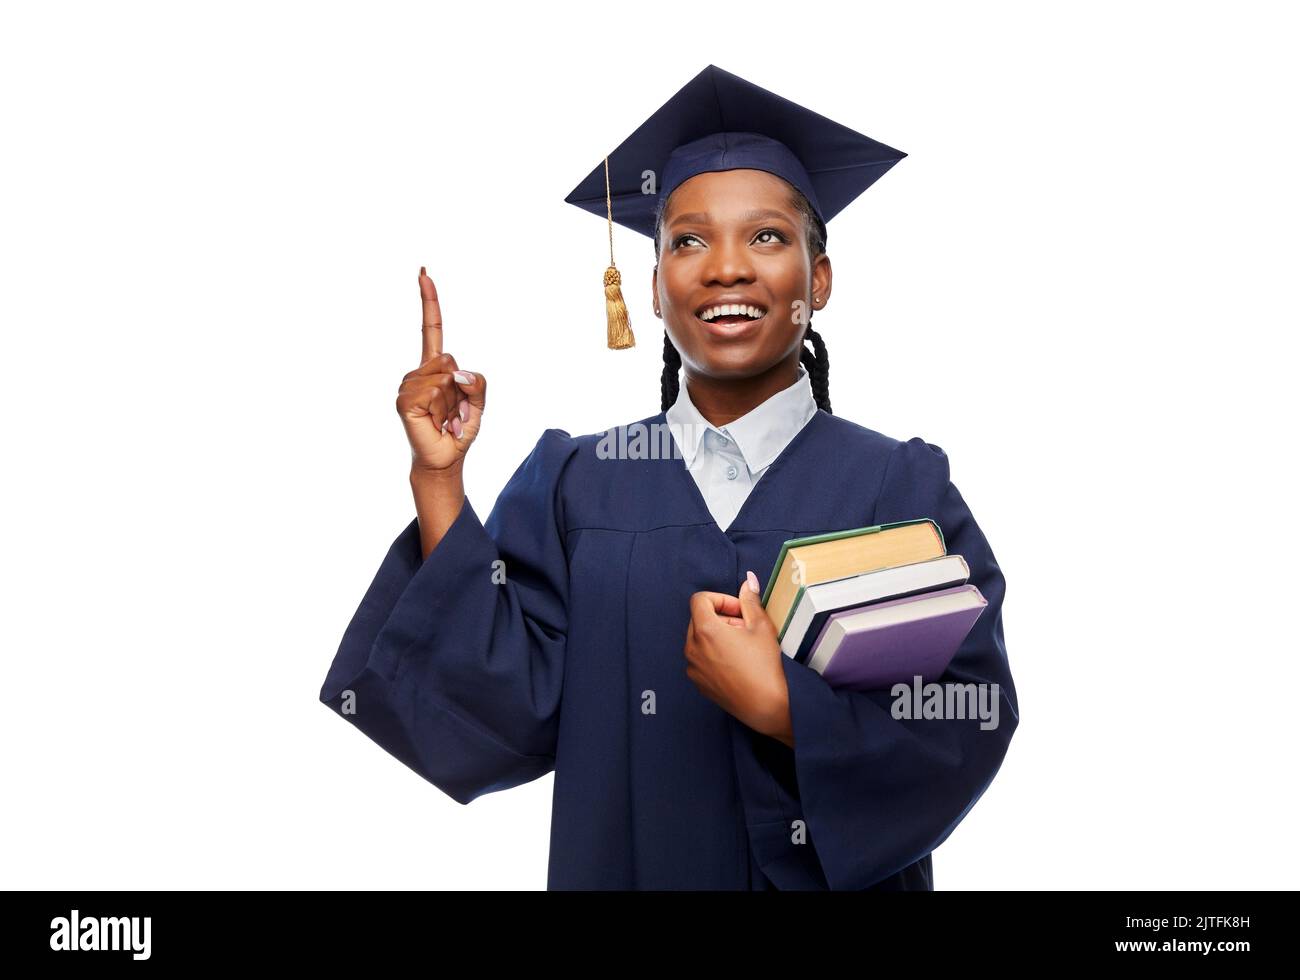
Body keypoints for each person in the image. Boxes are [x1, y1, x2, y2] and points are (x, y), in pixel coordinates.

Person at [319, 65, 1019, 890]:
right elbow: (501, 707)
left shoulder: (896, 488)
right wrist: (438, 483)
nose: (725, 268)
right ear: (652, 290)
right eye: (688, 241)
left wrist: (789, 710)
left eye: (766, 237)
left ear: (818, 280)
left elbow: (966, 720)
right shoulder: (576, 482)